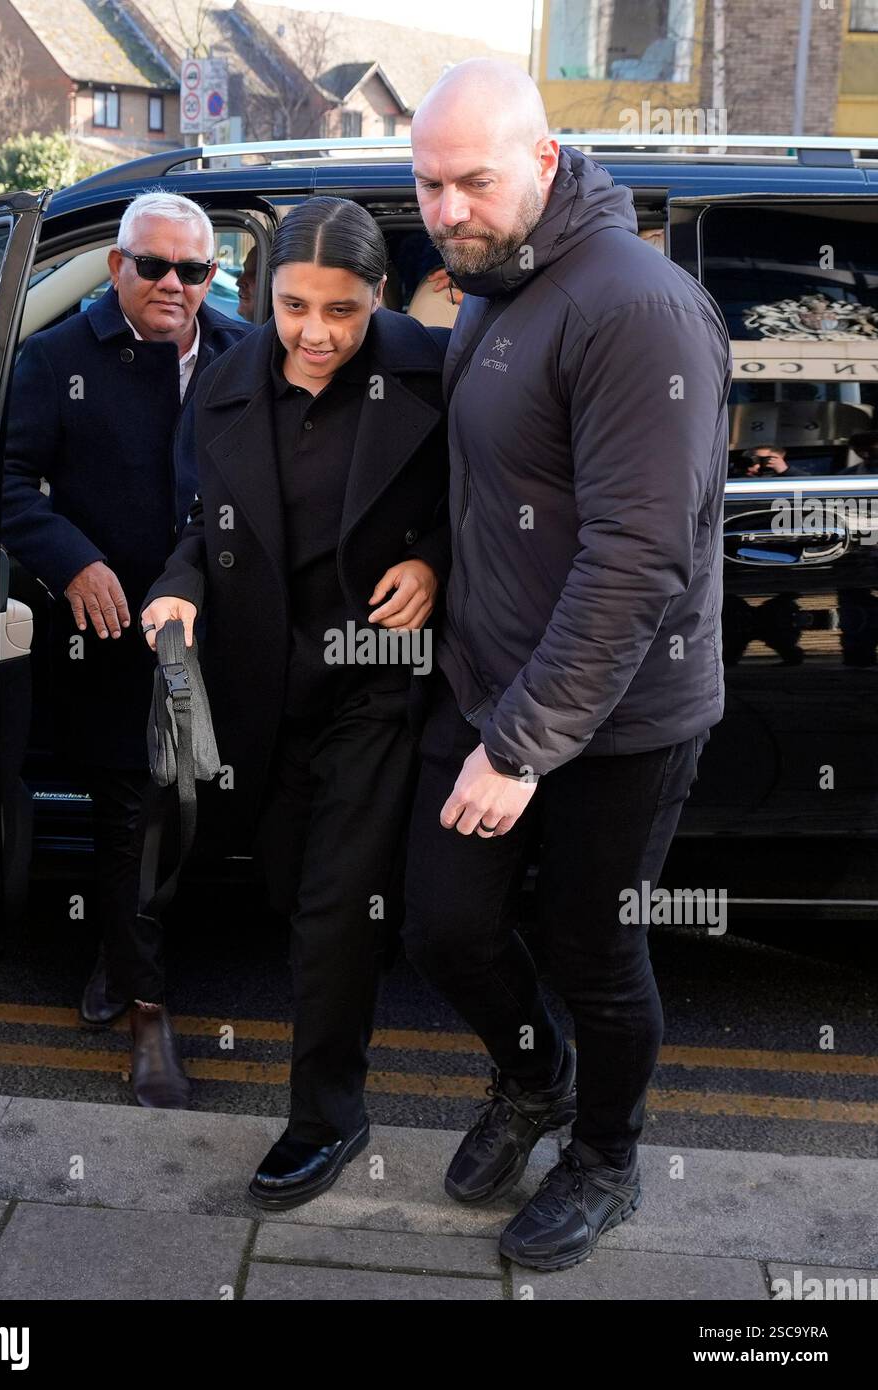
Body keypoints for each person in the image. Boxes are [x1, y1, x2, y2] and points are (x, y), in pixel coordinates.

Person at [403, 59, 732, 1272]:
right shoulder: (497, 276)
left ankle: (606, 1156)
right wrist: (440, 565)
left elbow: (636, 557)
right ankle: (532, 1081)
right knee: (443, 924)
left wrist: (522, 746)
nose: (447, 211)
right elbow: (492, 478)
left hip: (617, 714)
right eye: (429, 184)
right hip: (492, 678)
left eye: (474, 182)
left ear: (544, 162)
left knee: (596, 947)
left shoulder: (633, 307)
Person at [140, 196, 451, 1209]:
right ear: (262, 290)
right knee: (285, 890)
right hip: (264, 685)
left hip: (374, 683)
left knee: (331, 912)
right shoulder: (226, 380)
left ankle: (327, 1115)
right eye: (294, 305)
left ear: (381, 298)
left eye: (344, 310)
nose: (316, 332)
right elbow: (203, 521)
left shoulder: (433, 373)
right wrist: (179, 580)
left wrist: (436, 565)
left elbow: (496, 506)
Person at [2, 191, 250, 1108]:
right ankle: (147, 1010)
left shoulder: (241, 350)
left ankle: (117, 947)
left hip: (217, 631)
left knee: (193, 813)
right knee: (134, 820)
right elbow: (13, 487)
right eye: (155, 266)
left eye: (195, 270)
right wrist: (76, 563)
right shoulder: (56, 357)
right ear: (117, 267)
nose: (175, 285)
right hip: (109, 639)